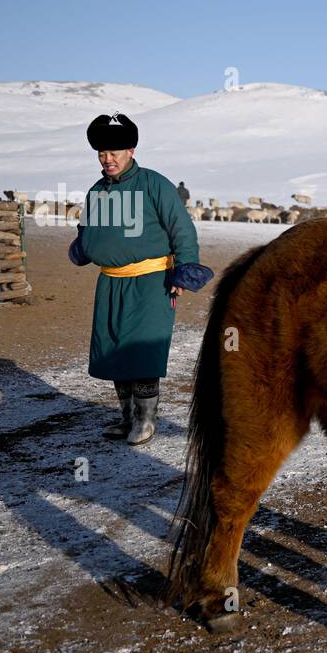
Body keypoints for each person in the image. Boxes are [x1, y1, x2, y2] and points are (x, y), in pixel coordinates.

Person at [67, 113, 214, 444]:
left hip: (150, 280)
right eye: (103, 153)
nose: (108, 159)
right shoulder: (97, 191)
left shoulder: (153, 183)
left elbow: (182, 228)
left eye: (115, 152)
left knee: (141, 348)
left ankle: (146, 420)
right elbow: (87, 229)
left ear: (130, 151)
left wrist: (184, 269)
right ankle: (127, 417)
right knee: (114, 348)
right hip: (111, 280)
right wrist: (86, 245)